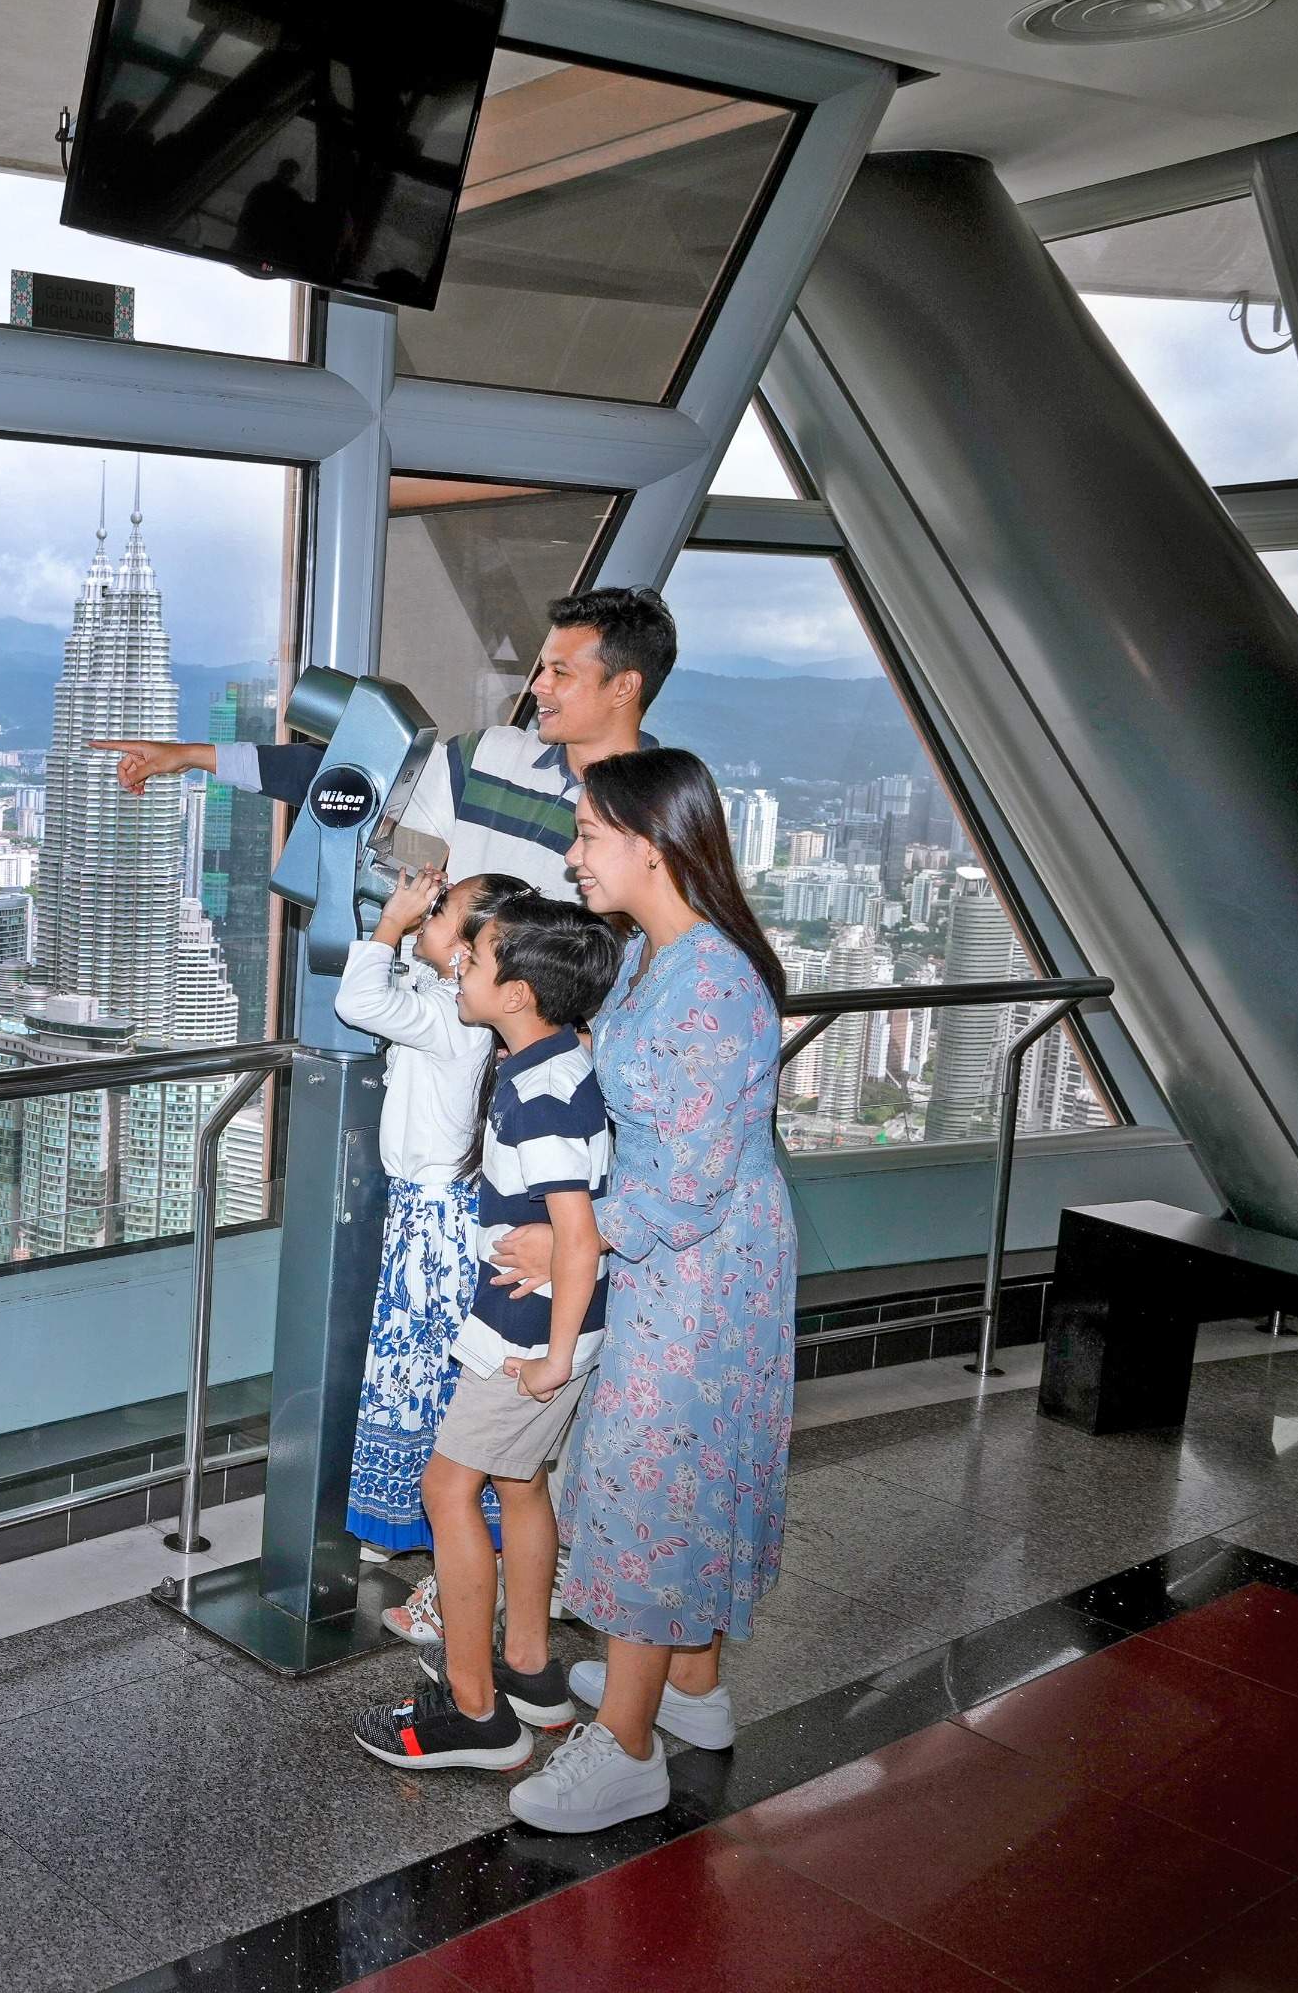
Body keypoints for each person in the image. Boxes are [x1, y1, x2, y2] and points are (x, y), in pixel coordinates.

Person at [485, 746, 797, 1835]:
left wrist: (569, 1244)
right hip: (682, 1253)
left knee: (654, 1476)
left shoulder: (713, 988)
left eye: (587, 834)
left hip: (698, 1269)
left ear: (653, 843)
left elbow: (696, 1187)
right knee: (687, 1468)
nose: (573, 855)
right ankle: (689, 1692)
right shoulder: (660, 957)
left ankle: (625, 1752)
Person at [349, 895, 623, 1776]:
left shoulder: (538, 1092)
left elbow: (574, 1233)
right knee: (520, 1480)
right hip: (539, 1324)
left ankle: (478, 1714)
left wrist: (549, 1355)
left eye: (477, 956)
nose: (459, 963)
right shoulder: (555, 1061)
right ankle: (534, 1674)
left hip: (524, 1335)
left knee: (447, 1490)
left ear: (517, 992)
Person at [92, 584, 678, 906]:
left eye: (560, 673)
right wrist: (193, 757)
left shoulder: (665, 810)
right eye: (541, 667)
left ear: (624, 686)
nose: (538, 686)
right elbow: (360, 783)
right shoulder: (495, 755)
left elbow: (661, 942)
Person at [333, 867, 533, 1573]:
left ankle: (424, 1529)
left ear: (472, 946)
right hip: (439, 1216)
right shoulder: (453, 1004)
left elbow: (357, 1000)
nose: (428, 907)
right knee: (424, 1371)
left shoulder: (452, 1017)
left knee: (416, 1371)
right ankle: (430, 1530)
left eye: (442, 907)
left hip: (433, 1226)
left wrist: (390, 923)